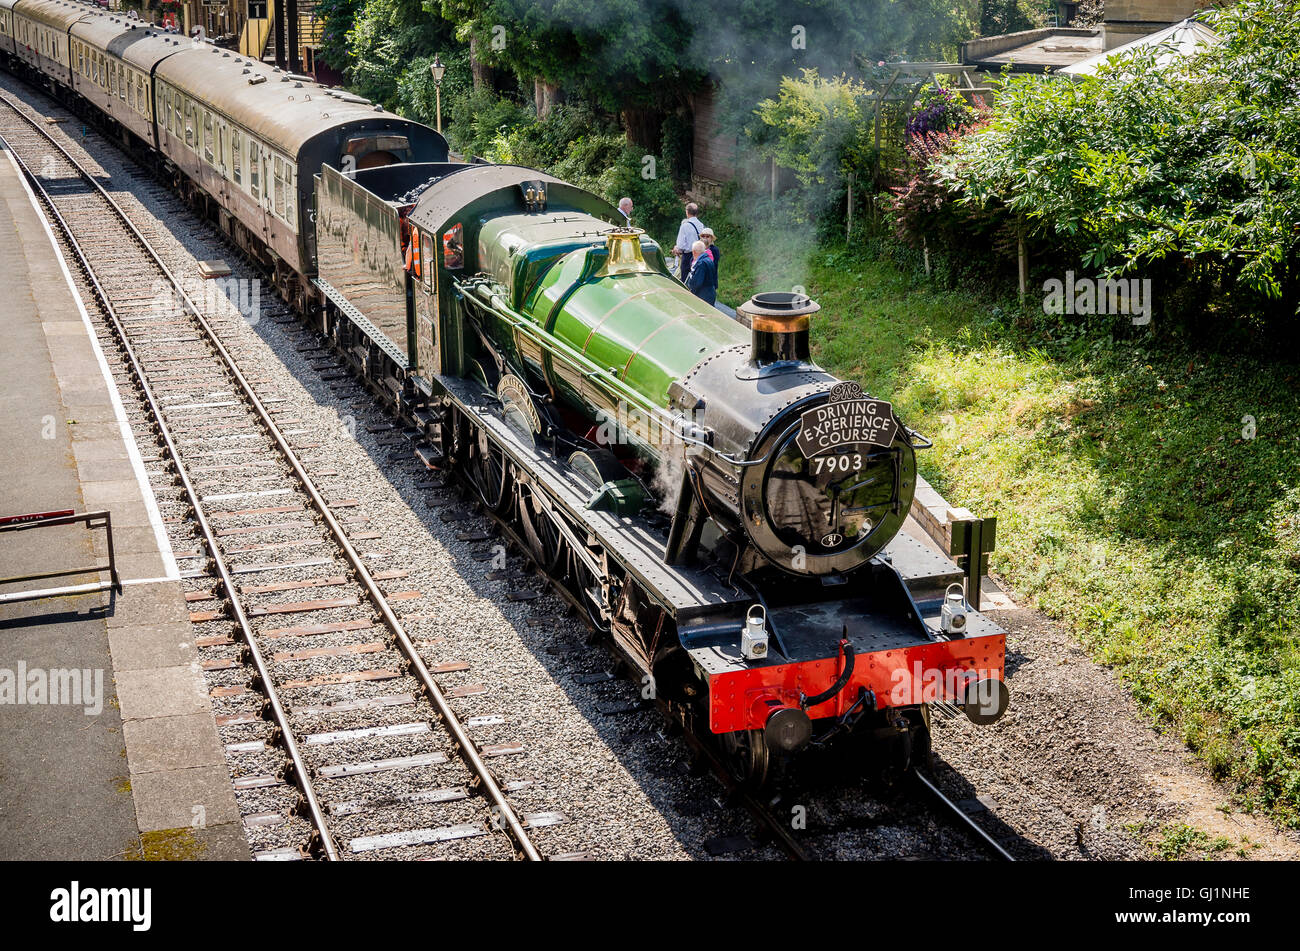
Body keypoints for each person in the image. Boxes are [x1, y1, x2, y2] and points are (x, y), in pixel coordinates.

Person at [672, 202, 704, 276]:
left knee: (685, 279)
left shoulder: (685, 226)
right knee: (696, 276)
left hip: (688, 256)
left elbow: (680, 245)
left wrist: (676, 249)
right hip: (699, 254)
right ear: (696, 213)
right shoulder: (701, 225)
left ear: (687, 212)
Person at [684, 240, 716, 305]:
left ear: (694, 252)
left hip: (703, 295)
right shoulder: (709, 259)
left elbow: (697, 283)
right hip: (711, 292)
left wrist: (690, 291)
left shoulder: (701, 264)